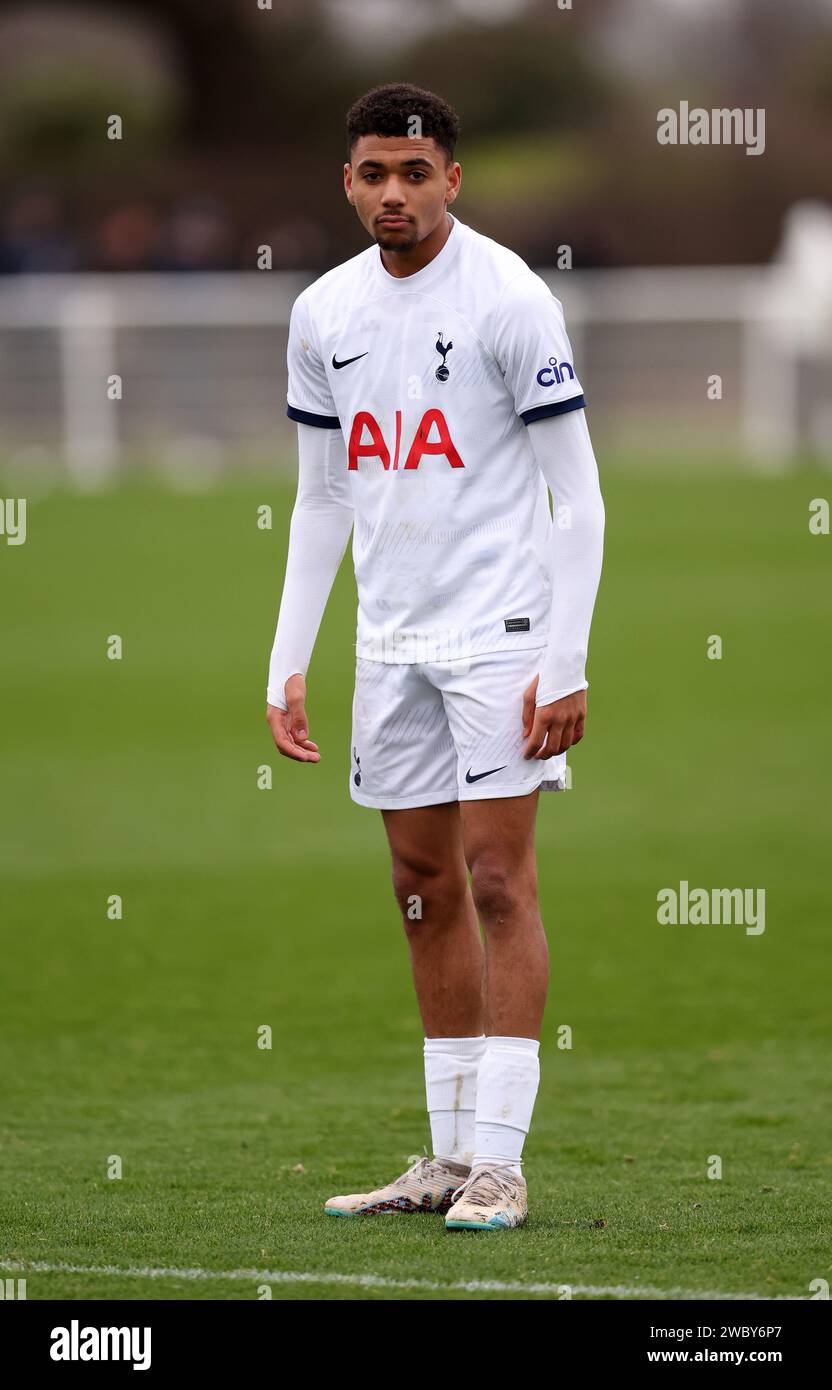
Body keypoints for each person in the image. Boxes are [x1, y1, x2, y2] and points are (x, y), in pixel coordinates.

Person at [266, 83, 605, 1231]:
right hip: (390, 639)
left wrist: (566, 658)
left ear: (451, 177)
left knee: (500, 882)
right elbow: (320, 498)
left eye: (415, 173)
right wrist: (288, 657)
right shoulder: (322, 313)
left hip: (499, 635)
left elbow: (581, 497)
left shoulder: (510, 296)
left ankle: (504, 1164)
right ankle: (450, 1159)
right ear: (347, 181)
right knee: (420, 891)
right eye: (373, 173)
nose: (393, 193)